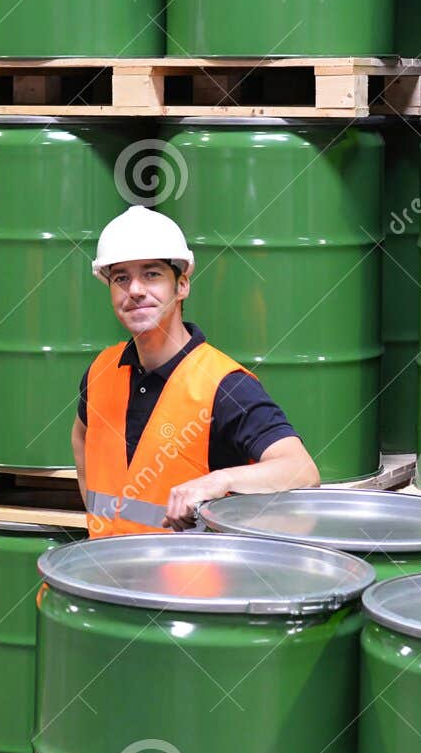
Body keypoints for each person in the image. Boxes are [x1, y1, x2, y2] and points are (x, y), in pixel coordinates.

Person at [72, 206, 319, 537]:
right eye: (121, 278)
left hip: (191, 585)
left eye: (152, 274)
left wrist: (220, 480)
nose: (135, 290)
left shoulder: (224, 385)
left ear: (182, 285)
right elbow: (81, 434)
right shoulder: (102, 370)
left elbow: (301, 469)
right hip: (106, 576)